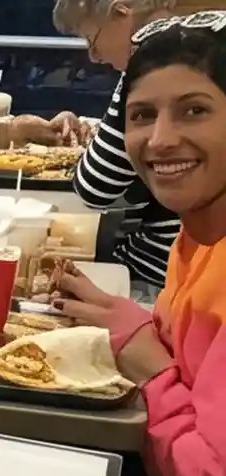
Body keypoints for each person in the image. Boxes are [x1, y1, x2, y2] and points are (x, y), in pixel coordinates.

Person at [51, 11, 226, 476]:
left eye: (193, 111)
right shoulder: (199, 232)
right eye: (142, 115)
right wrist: (129, 321)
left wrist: (150, 367)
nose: (160, 139)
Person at [50, 0, 223, 293]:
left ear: (121, 13)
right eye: (143, 115)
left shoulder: (166, 58)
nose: (92, 56)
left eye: (92, 40)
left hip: (156, 272)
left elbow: (95, 187)